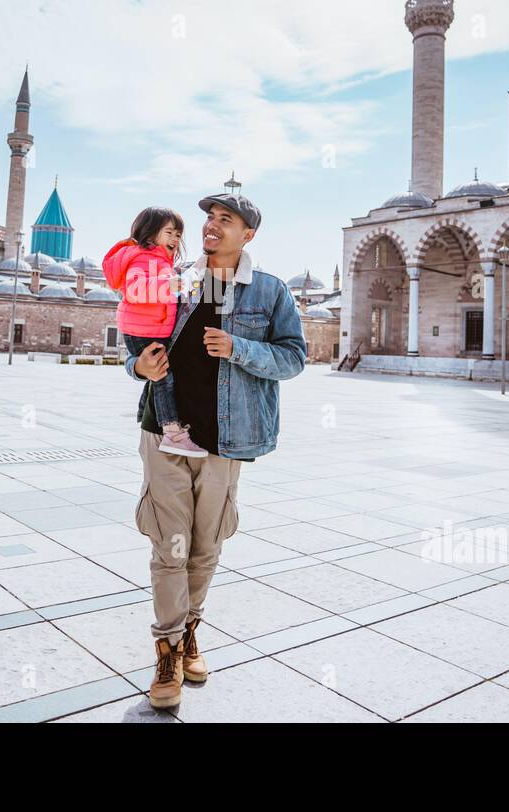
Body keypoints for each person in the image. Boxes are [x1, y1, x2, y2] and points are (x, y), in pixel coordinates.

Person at [124, 191, 306, 709]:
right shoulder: (172, 276)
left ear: (248, 234)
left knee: (205, 546)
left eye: (226, 219)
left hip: (228, 440)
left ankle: (188, 635)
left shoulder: (270, 292)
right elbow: (133, 337)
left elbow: (294, 358)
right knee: (169, 543)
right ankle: (167, 648)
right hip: (164, 430)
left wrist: (240, 348)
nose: (211, 225)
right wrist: (137, 367)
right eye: (208, 217)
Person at [102, 208, 206, 457]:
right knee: (163, 375)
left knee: (158, 373)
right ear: (149, 233)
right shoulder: (142, 258)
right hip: (142, 329)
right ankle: (172, 432)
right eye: (169, 232)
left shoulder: (159, 260)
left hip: (151, 327)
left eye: (178, 235)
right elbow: (135, 290)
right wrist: (168, 284)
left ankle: (144, 412)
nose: (174, 239)